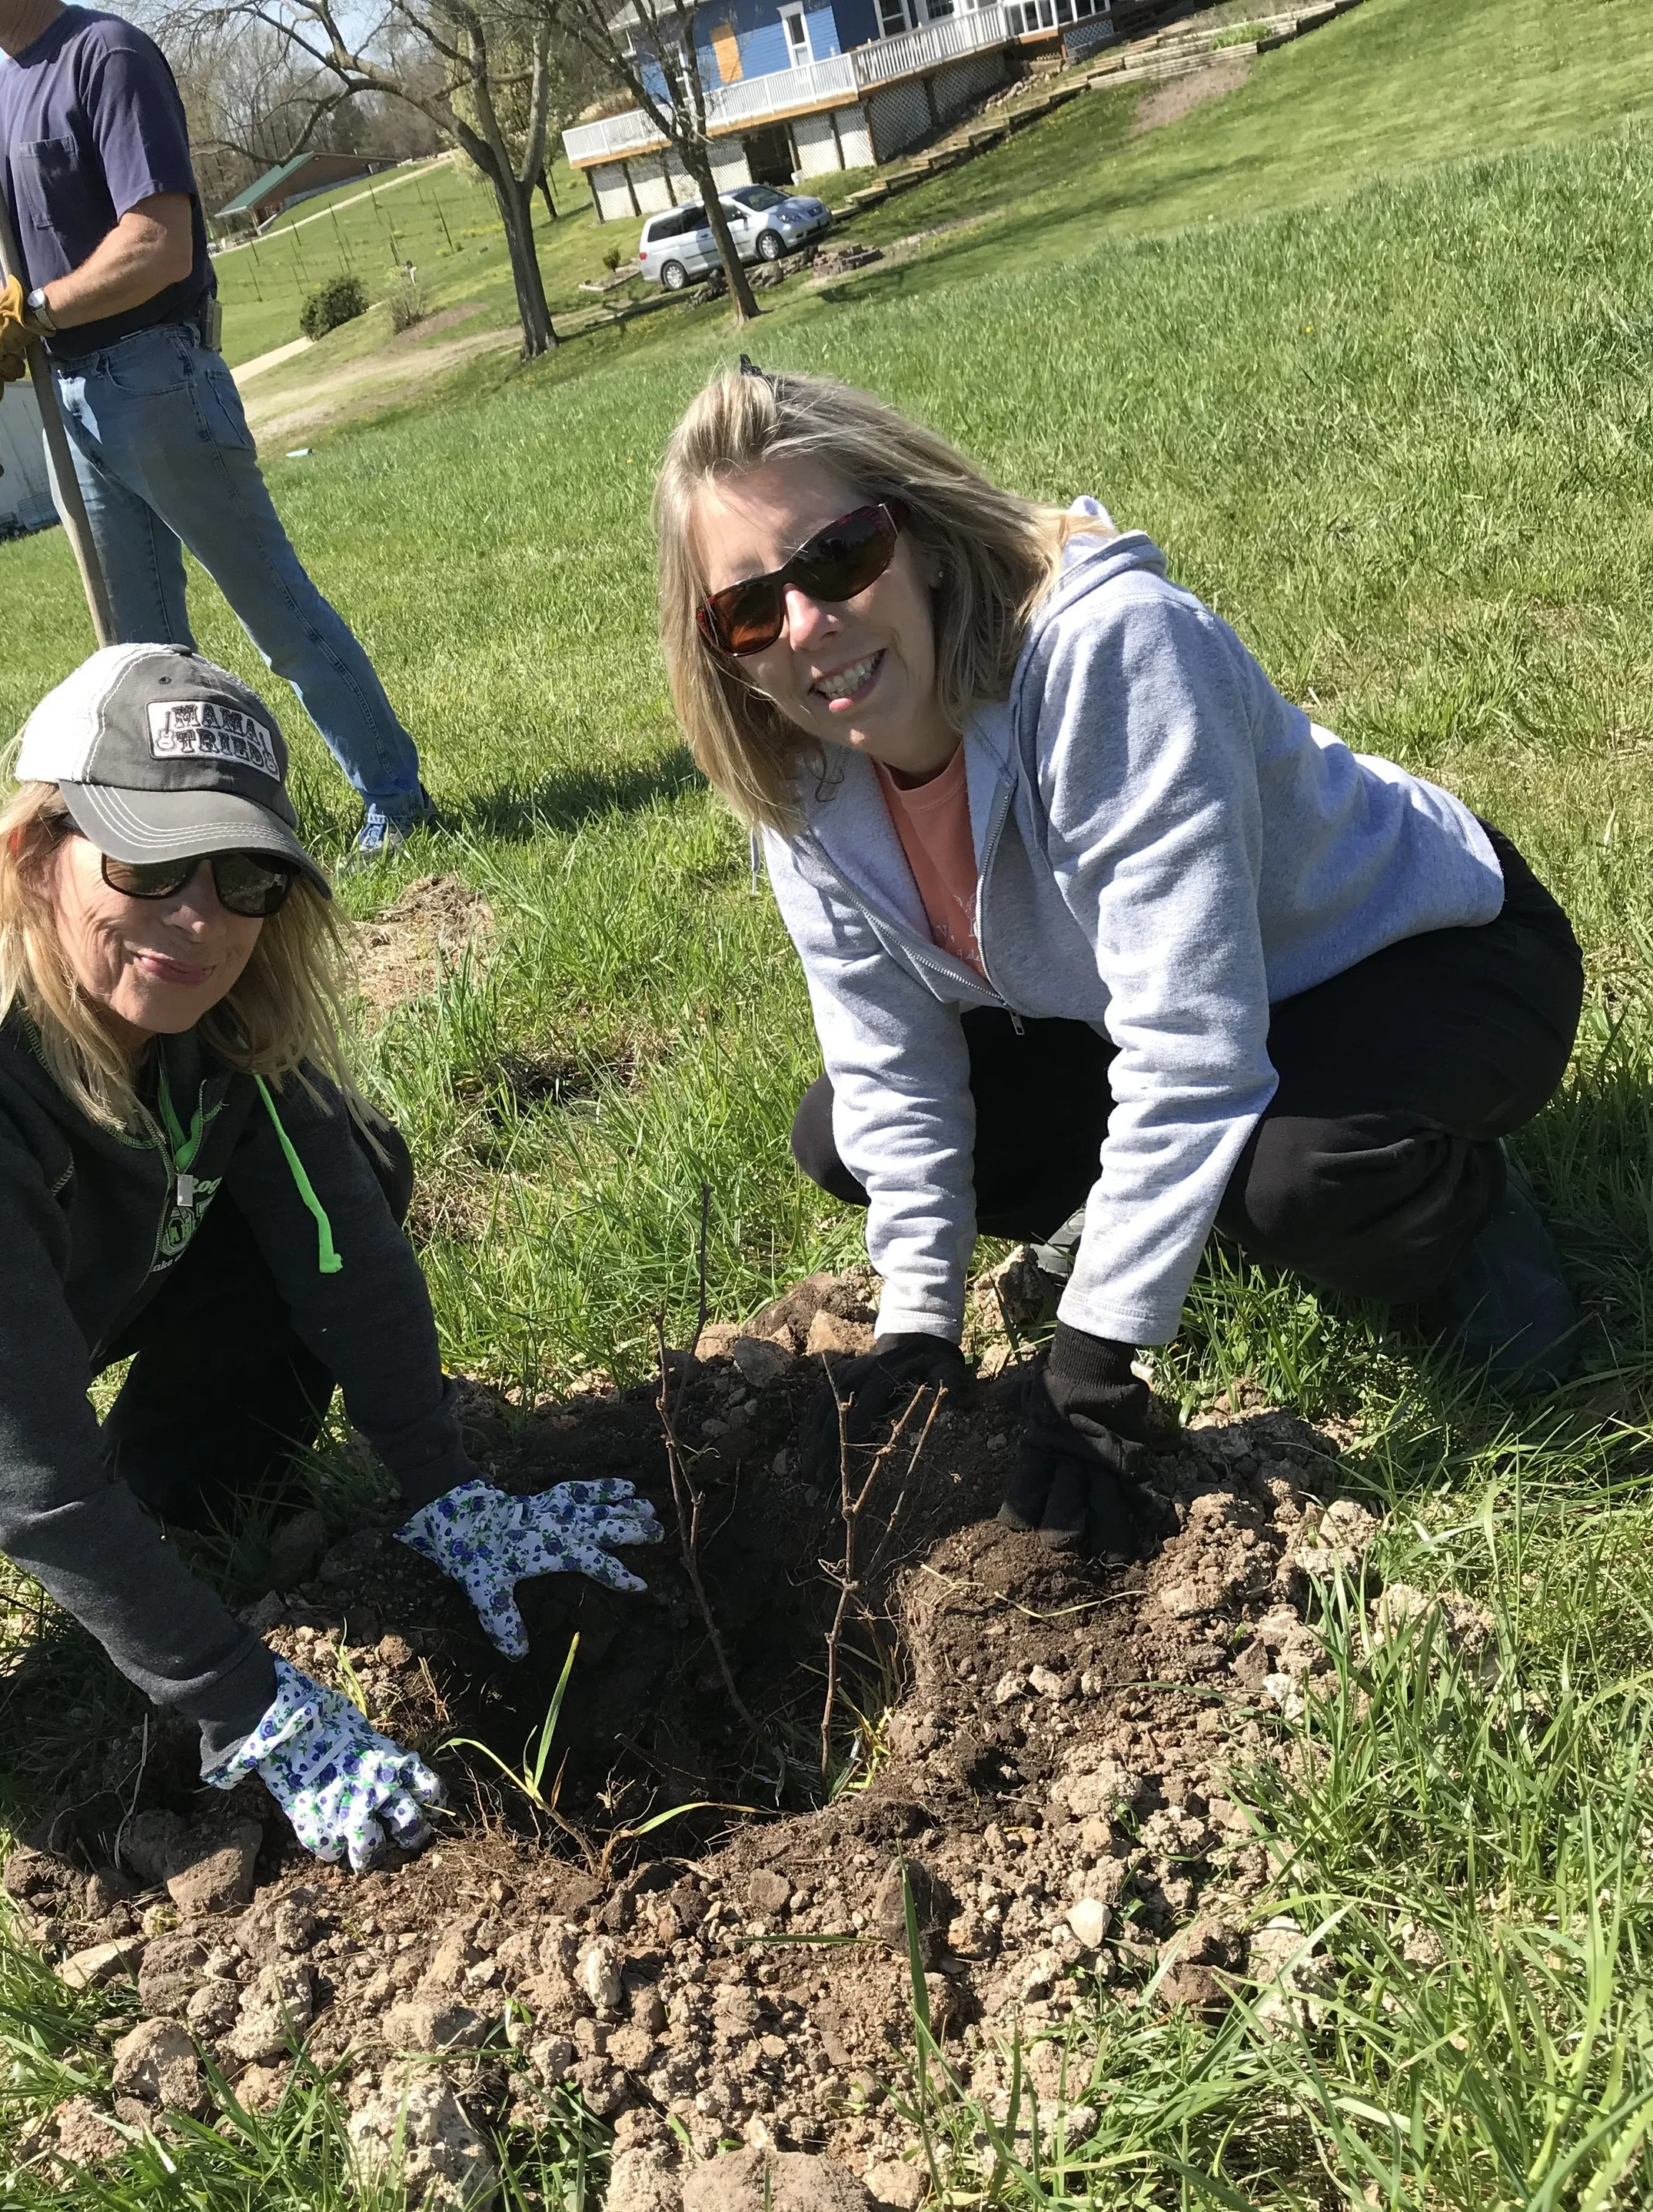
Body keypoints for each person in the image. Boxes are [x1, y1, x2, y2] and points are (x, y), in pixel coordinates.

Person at [654, 362, 1585, 1557]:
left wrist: (1091, 1363)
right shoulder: (805, 781)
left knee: (1288, 1182)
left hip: (1415, 954)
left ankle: (1459, 1215)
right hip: (1140, 1004)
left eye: (836, 557)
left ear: (924, 541)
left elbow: (1193, 1045)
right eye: (745, 610)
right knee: (839, 1130)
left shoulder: (1107, 654)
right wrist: (919, 1331)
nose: (805, 626)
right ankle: (1154, 1212)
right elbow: (895, 1074)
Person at [0, 645, 657, 1845]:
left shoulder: (211, 1002)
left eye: (245, 878)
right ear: (32, 852)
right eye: (149, 860)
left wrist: (449, 1486)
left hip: (40, 1280)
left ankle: (188, 1495)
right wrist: (248, 1703)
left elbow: (345, 1251)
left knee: (358, 1169)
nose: (198, 917)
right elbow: (28, 1474)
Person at [0, 0, 431, 854]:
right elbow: (28, 274)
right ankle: (201, 831)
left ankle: (398, 802)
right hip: (68, 396)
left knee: (276, 613)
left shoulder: (106, 56)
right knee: (140, 659)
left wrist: (36, 310)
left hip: (153, 373)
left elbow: (157, 242)